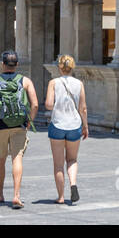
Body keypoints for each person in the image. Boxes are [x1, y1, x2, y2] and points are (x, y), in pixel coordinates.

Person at [0, 51, 37, 209]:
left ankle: (0, 193)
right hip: (19, 125)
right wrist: (29, 121)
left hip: (0, 126)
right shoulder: (26, 81)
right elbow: (35, 104)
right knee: (17, 158)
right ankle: (16, 196)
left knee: (0, 159)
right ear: (17, 64)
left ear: (2, 64)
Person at [45, 55, 89, 205]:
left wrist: (58, 103)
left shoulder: (53, 83)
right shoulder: (79, 84)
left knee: (58, 164)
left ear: (59, 67)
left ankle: (61, 196)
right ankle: (73, 184)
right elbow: (83, 108)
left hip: (57, 124)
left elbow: (49, 104)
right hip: (74, 125)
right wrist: (85, 126)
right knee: (72, 159)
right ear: (73, 67)